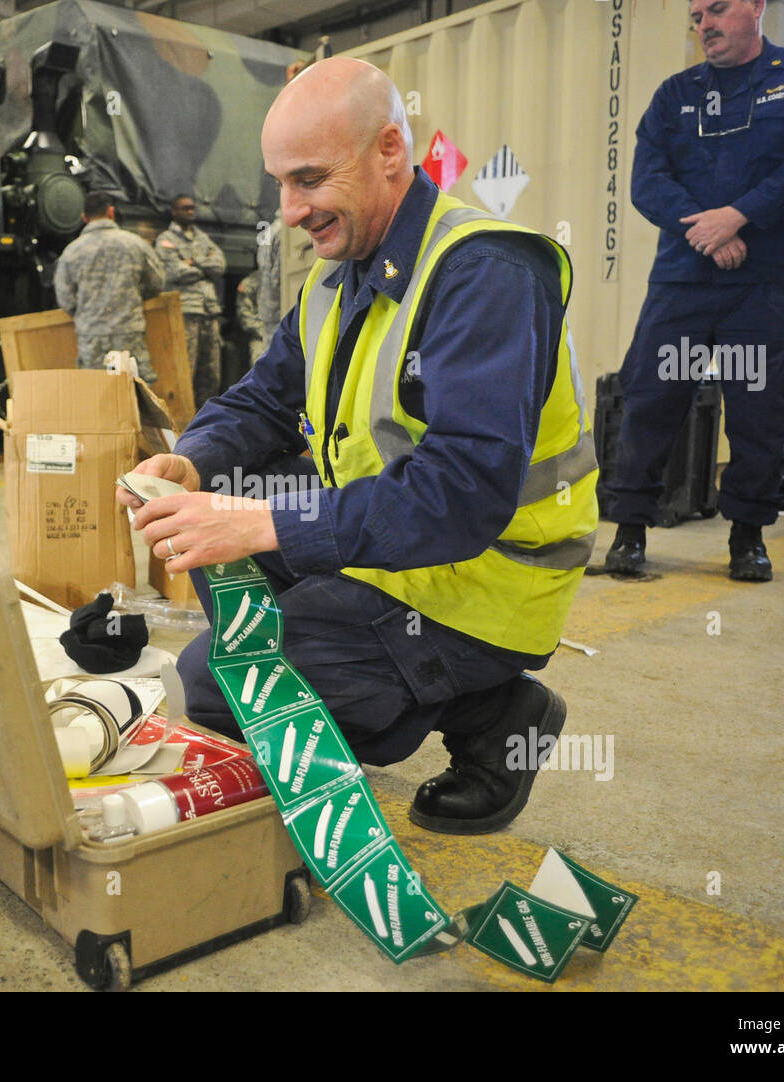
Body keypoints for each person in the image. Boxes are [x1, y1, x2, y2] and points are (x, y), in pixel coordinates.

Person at [118, 57, 598, 836]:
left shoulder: (486, 273)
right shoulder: (335, 278)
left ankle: (486, 703)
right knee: (221, 574)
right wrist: (193, 460)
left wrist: (266, 523)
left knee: (217, 686)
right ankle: (457, 695)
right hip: (391, 546)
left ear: (388, 152)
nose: (290, 209)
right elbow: (265, 397)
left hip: (485, 576)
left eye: (308, 178)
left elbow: (463, 495)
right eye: (280, 182)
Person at [602, 0, 784, 580]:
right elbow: (647, 182)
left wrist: (739, 215)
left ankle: (748, 538)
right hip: (684, 281)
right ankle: (630, 532)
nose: (705, 24)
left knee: (760, 410)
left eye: (717, 9)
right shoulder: (674, 94)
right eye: (696, 17)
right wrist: (708, 230)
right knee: (651, 402)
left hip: (768, 283)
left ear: (756, 6)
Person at [53, 191, 166, 383]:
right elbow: (157, 283)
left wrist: (86, 315)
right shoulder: (135, 244)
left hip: (91, 334)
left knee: (93, 388)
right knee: (136, 388)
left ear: (84, 217)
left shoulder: (71, 252)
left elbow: (65, 298)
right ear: (111, 212)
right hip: (129, 330)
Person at [156, 194, 226, 408]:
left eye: (192, 208)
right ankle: (185, 421)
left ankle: (206, 419)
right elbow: (173, 271)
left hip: (209, 311)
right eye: (185, 209)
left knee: (211, 373)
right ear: (174, 211)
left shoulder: (202, 237)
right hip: (186, 312)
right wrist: (204, 266)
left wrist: (193, 261)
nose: (190, 212)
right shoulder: (166, 239)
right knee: (186, 371)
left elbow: (220, 265)